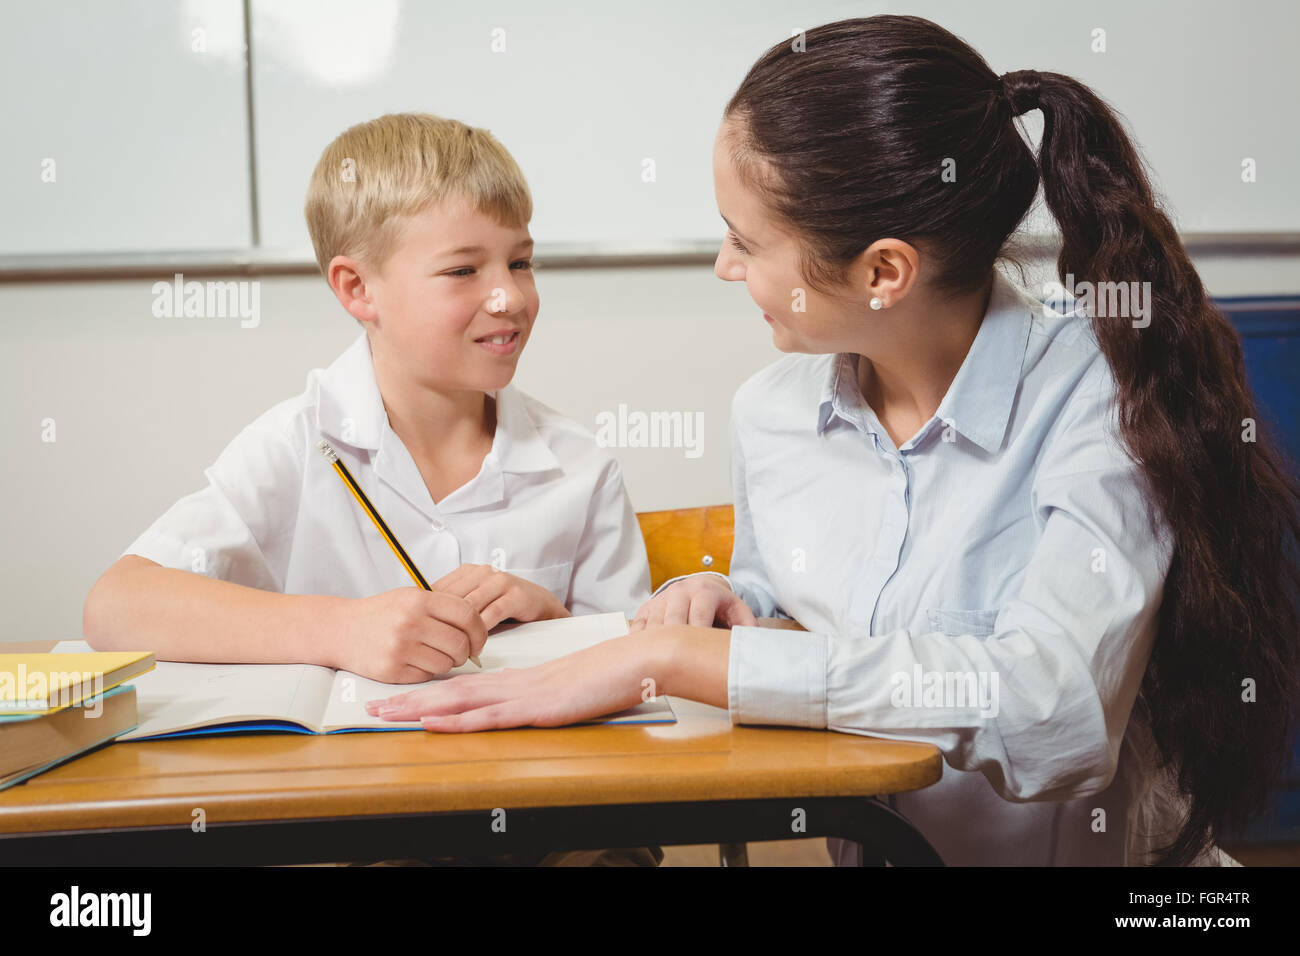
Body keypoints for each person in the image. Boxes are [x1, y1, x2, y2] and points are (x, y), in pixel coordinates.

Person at [367, 18, 1300, 867]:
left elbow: (1052, 708)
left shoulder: (1097, 395)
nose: (725, 267)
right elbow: (794, 614)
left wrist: (680, 663)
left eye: (745, 241)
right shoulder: (772, 413)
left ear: (883, 271)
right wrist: (722, 606)